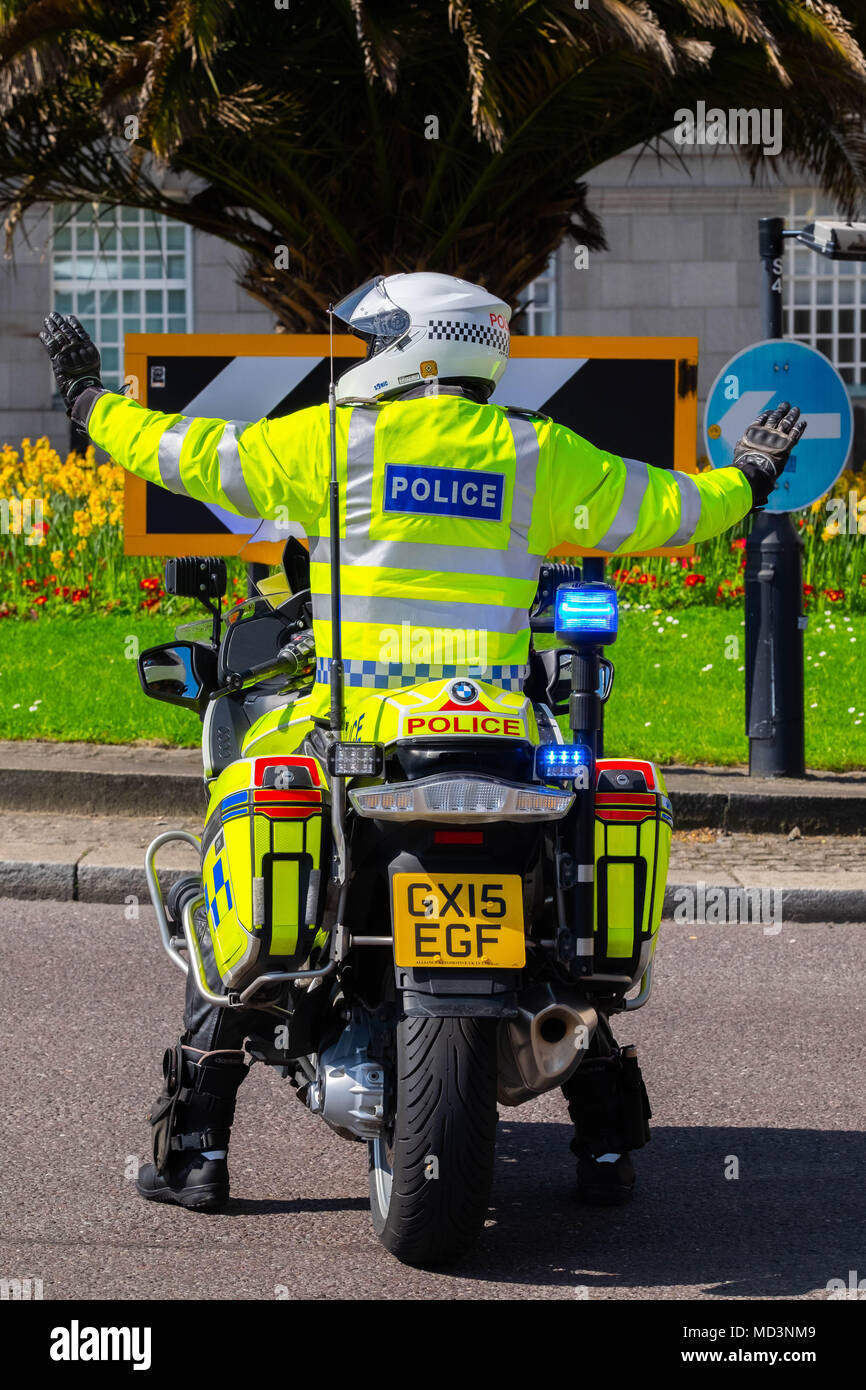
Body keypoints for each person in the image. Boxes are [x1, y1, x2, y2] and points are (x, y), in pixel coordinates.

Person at [40, 274, 806, 1213]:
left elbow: (192, 454)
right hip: (502, 740)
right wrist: (753, 478)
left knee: (238, 855)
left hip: (358, 735)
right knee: (557, 929)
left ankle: (195, 1143)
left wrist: (89, 404)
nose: (360, 361)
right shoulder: (538, 453)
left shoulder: (331, 442)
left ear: (416, 345)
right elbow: (671, 510)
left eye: (371, 343)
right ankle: (605, 1142)